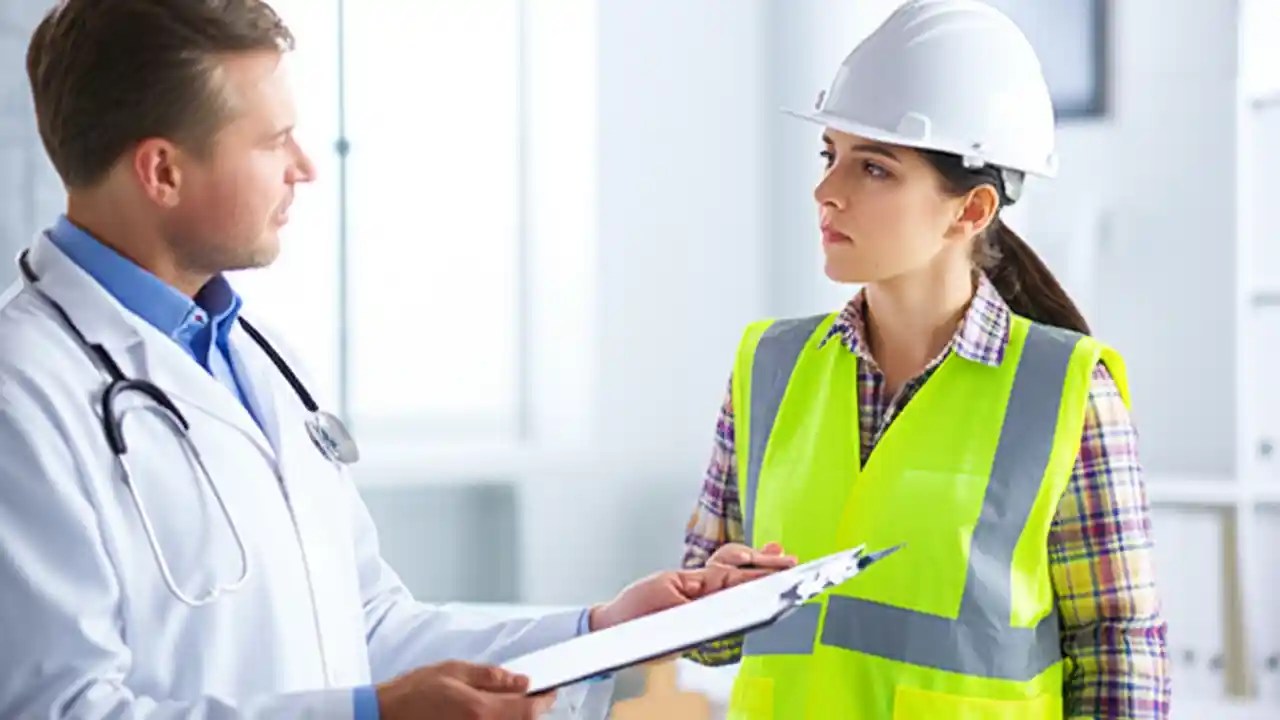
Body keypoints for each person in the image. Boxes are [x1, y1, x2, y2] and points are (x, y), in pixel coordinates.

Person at [0, 2, 780, 719]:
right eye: (272, 141)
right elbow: (56, 708)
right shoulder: (24, 392)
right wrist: (372, 715)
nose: (305, 166)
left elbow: (367, 626)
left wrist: (602, 631)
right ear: (162, 171)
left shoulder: (256, 358)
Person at [680, 1, 1171, 718]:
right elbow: (703, 637)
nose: (826, 191)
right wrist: (715, 598)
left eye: (874, 168)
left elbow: (1119, 647)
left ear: (970, 210)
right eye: (830, 156)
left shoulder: (1066, 392)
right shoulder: (768, 369)